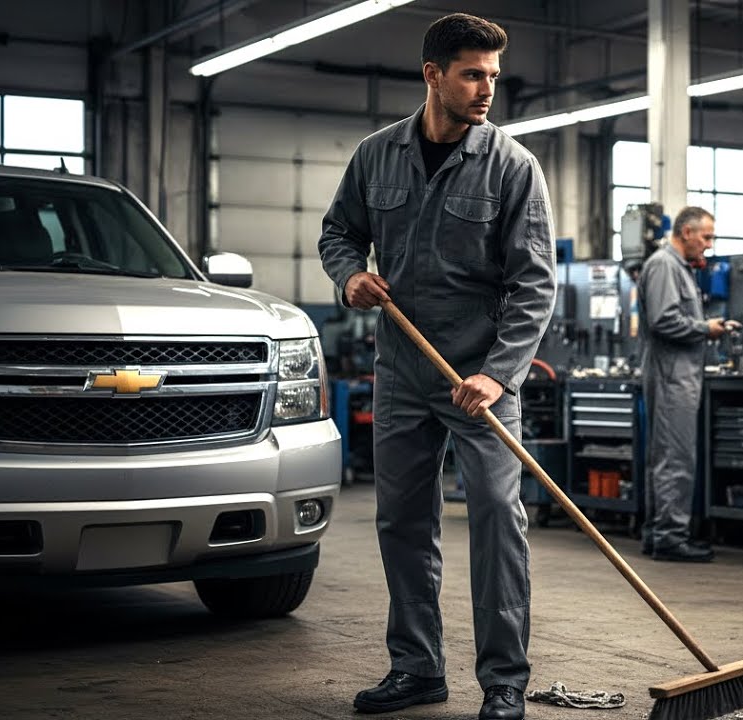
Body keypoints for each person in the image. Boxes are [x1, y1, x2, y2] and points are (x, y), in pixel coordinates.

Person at [318, 13, 556, 720]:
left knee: (494, 516)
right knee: (402, 521)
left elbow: (534, 284)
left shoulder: (512, 166)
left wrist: (500, 373)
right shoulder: (376, 156)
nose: (487, 89)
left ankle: (505, 680)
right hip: (404, 370)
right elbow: (339, 233)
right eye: (472, 74)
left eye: (492, 75)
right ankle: (417, 668)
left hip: (482, 377)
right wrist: (348, 277)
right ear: (433, 76)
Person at [639, 207, 730, 563]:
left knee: (665, 457)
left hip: (678, 372)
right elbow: (664, 320)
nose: (708, 245)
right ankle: (671, 536)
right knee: (675, 458)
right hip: (671, 374)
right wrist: (706, 328)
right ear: (687, 232)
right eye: (706, 237)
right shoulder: (664, 265)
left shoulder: (678, 268)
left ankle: (658, 533)